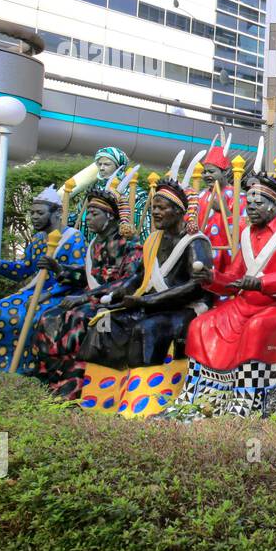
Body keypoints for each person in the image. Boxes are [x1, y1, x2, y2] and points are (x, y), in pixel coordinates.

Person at [172, 173, 276, 418]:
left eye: (258, 204)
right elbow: (234, 279)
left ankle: (251, 401)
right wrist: (212, 278)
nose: (251, 209)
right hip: (247, 302)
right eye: (249, 204)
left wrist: (262, 283)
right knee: (200, 325)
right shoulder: (247, 234)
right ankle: (201, 396)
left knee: (256, 328)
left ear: (272, 206)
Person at [74, 174, 214, 417]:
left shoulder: (195, 243)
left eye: (162, 208)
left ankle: (144, 403)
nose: (155, 213)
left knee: (146, 329)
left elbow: (196, 287)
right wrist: (119, 292)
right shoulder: (153, 240)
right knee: (104, 324)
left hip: (184, 309)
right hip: (148, 304)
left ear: (179, 211)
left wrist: (146, 301)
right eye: (153, 208)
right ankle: (101, 398)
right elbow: (139, 278)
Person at [28, 178, 143, 400]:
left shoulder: (130, 244)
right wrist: (59, 268)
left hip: (117, 305)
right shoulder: (96, 244)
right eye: (88, 214)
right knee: (48, 318)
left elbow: (128, 282)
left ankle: (77, 385)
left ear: (110, 216)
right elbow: (87, 273)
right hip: (91, 299)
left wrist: (85, 298)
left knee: (80, 319)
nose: (88, 218)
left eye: (94, 214)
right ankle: (51, 378)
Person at [0, 185, 88, 374]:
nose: (34, 217)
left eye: (40, 213)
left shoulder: (74, 238)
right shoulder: (37, 240)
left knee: (28, 317)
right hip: (35, 292)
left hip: (62, 293)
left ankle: (27, 368)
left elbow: (79, 275)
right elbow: (24, 269)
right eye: (32, 213)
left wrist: (51, 284)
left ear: (57, 213)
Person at [69, 147, 148, 243]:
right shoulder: (93, 189)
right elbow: (79, 216)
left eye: (107, 164)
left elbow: (144, 228)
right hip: (91, 245)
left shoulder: (137, 194)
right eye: (99, 164)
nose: (102, 168)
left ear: (119, 166)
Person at [194, 133, 247, 271]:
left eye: (211, 171)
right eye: (204, 172)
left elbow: (244, 231)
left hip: (228, 258)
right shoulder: (200, 196)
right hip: (202, 254)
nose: (206, 175)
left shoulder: (239, 197)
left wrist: (225, 211)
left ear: (226, 172)